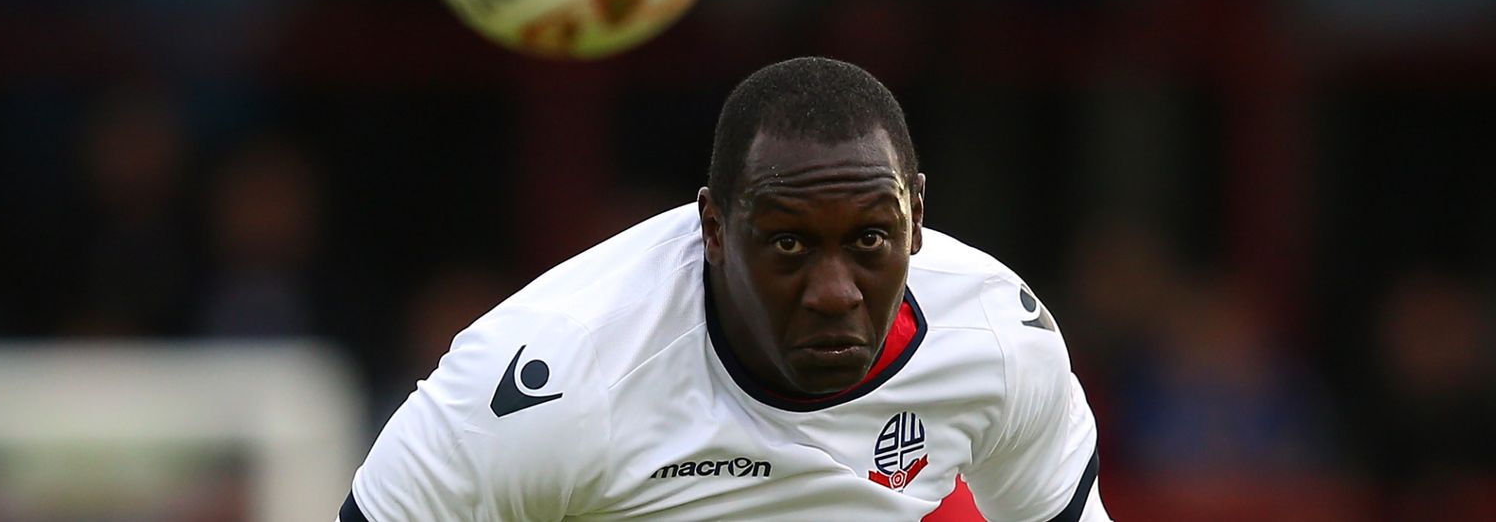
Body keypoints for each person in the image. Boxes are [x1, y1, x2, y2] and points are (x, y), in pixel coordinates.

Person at [337, 57, 1110, 521]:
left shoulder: (998, 338)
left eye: (869, 239)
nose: (835, 291)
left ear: (916, 219)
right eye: (789, 244)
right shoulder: (558, 378)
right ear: (713, 229)